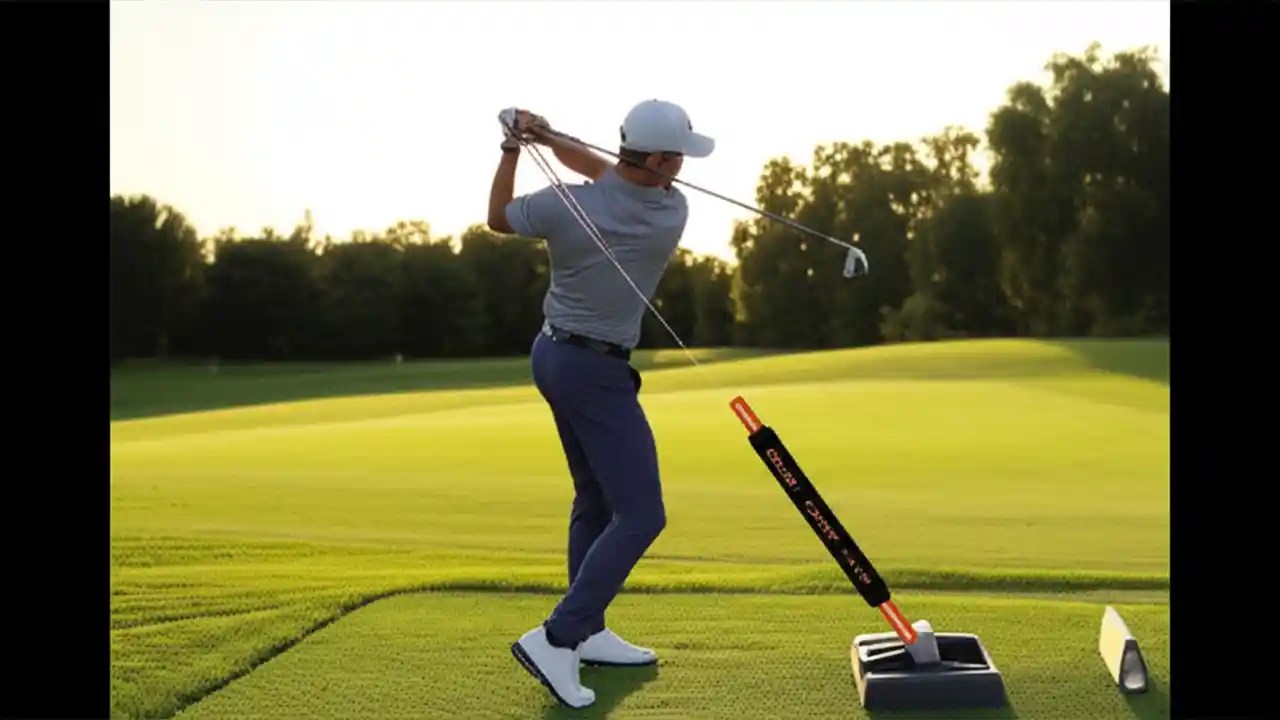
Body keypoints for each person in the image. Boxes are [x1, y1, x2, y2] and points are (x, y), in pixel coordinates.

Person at [486, 100, 715, 709]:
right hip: (595, 372)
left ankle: (587, 630)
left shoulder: (569, 207)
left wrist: (516, 146)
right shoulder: (670, 211)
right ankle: (558, 637)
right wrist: (549, 136)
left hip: (553, 355)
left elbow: (499, 218)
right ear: (660, 160)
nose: (683, 169)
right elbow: (603, 171)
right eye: (679, 157)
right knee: (642, 514)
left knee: (595, 498)